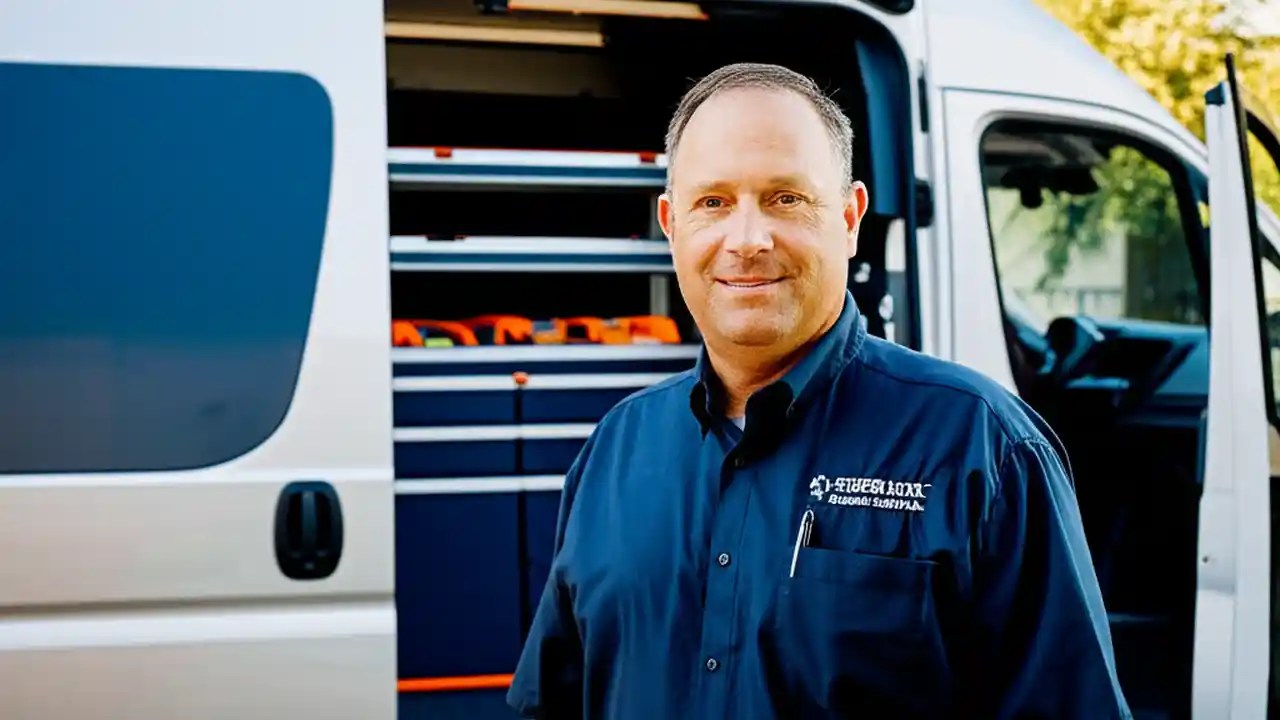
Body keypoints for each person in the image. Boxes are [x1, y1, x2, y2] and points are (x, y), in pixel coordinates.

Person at [506, 62, 1131, 719]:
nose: (747, 240)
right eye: (712, 202)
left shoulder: (982, 449)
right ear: (671, 223)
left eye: (786, 198)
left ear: (850, 216)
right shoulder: (617, 450)